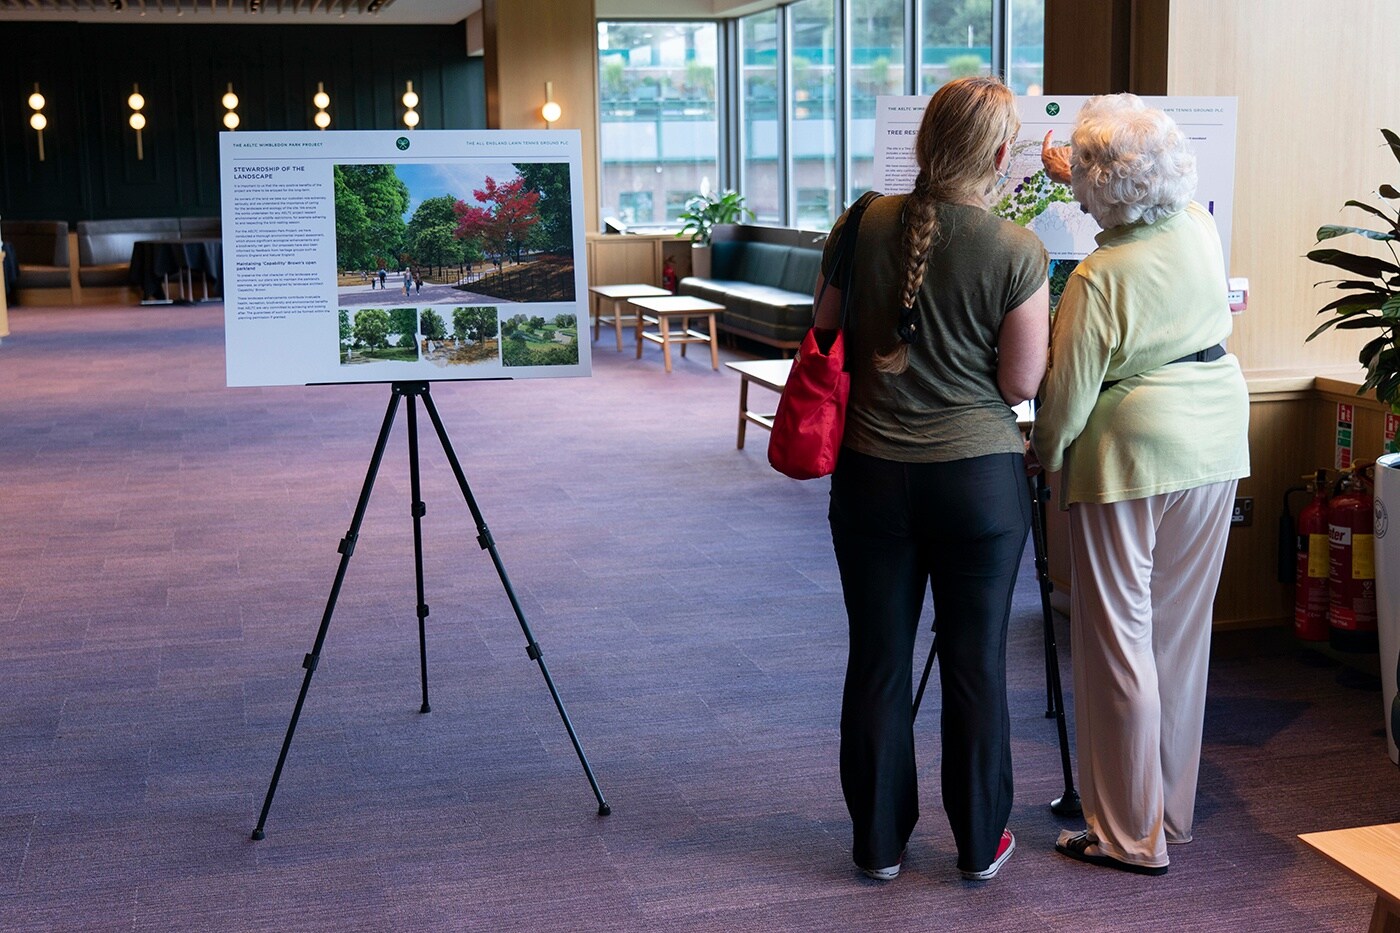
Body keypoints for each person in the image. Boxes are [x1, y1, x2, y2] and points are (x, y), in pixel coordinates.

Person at [816, 75, 1050, 883]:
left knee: (878, 659)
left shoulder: (861, 221)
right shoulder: (1017, 250)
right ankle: (981, 844)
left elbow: (822, 327)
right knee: (975, 664)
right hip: (978, 486)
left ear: (923, 145)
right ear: (997, 154)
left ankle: (878, 845)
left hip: (872, 479)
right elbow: (1021, 384)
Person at [1031, 94, 1250, 876]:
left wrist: (1043, 455)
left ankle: (1128, 834)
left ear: (1096, 185)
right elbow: (1135, 195)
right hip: (1218, 434)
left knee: (1117, 640)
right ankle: (1169, 811)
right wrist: (1076, 173)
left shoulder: (1095, 278)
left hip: (1131, 454)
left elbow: (1064, 402)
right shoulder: (1198, 225)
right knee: (1178, 637)